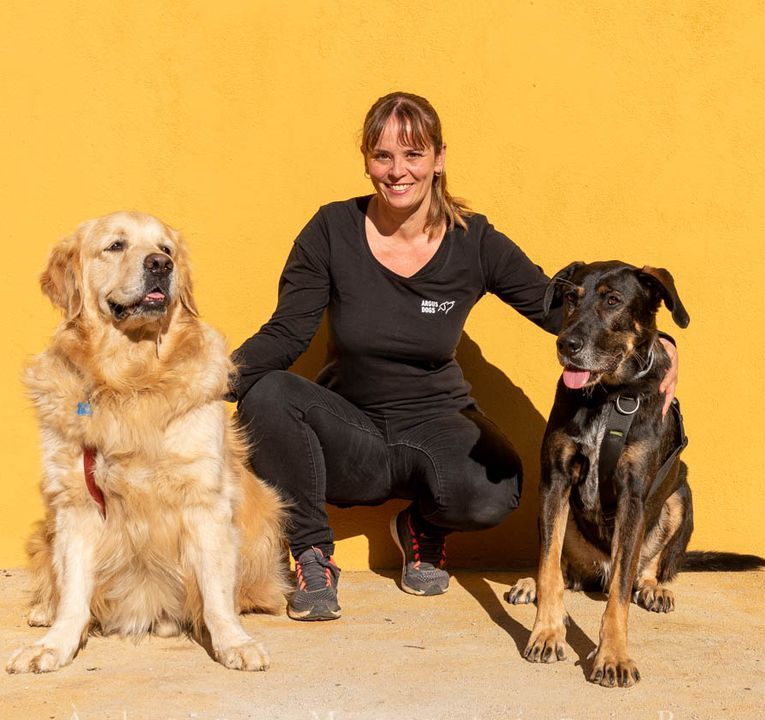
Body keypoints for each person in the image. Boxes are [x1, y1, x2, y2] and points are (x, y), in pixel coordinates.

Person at [231, 92, 679, 621]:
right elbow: (286, 333)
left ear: (439, 158)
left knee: (500, 483)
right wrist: (202, 380)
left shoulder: (474, 240)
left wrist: (662, 345)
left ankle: (423, 526)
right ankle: (311, 553)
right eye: (382, 156)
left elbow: (558, 305)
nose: (397, 171)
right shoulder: (331, 231)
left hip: (435, 428)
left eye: (413, 154)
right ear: (367, 161)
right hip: (351, 432)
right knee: (267, 394)